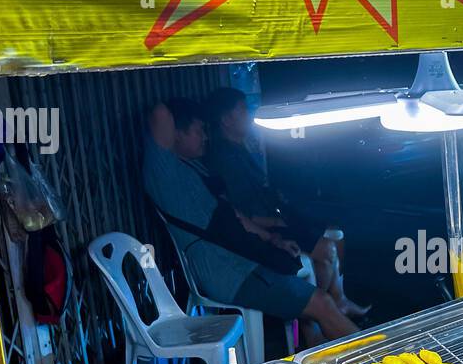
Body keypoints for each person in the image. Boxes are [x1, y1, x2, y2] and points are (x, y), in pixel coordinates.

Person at [142, 102, 356, 344]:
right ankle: (370, 362)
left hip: (244, 260)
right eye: (197, 130)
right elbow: (160, 112)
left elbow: (236, 217)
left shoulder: (195, 168)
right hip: (227, 274)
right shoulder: (163, 171)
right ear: (176, 135)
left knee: (313, 293)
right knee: (322, 302)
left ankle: (317, 347)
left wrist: (273, 239)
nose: (205, 137)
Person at [204, 86, 368, 320]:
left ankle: (333, 304)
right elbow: (241, 212)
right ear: (226, 120)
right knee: (327, 248)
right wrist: (276, 222)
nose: (249, 115)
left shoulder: (242, 148)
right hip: (265, 228)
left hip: (278, 217)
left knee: (337, 235)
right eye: (242, 110)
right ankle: (320, 312)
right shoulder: (224, 159)